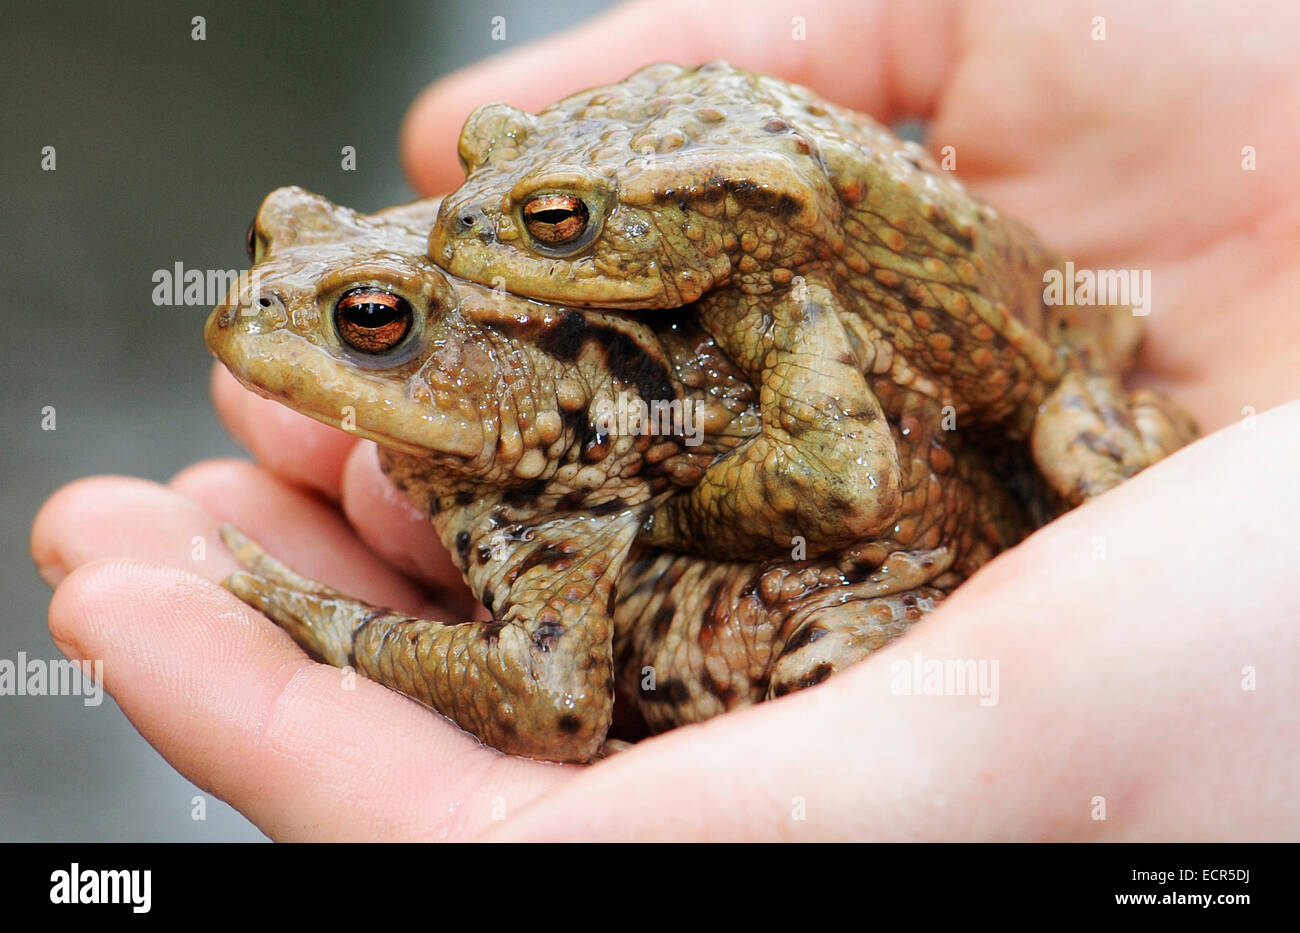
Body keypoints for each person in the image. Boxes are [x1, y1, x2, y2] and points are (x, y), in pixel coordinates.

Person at [32, 0, 1300, 840]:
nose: (255, 312)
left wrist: (334, 625)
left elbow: (549, 699)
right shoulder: (632, 369)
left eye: (370, 321)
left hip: (900, 565)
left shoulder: (717, 355)